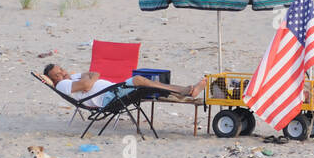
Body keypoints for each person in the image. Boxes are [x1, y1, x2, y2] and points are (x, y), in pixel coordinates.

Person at [43, 63, 205, 107]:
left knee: (146, 84)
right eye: (57, 75)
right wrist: (88, 79)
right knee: (139, 80)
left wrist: (88, 78)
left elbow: (94, 74)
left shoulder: (72, 77)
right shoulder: (63, 85)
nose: (62, 73)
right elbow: (86, 84)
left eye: (61, 69)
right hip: (108, 99)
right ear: (54, 80)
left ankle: (184, 92)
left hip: (113, 91)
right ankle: (185, 90)